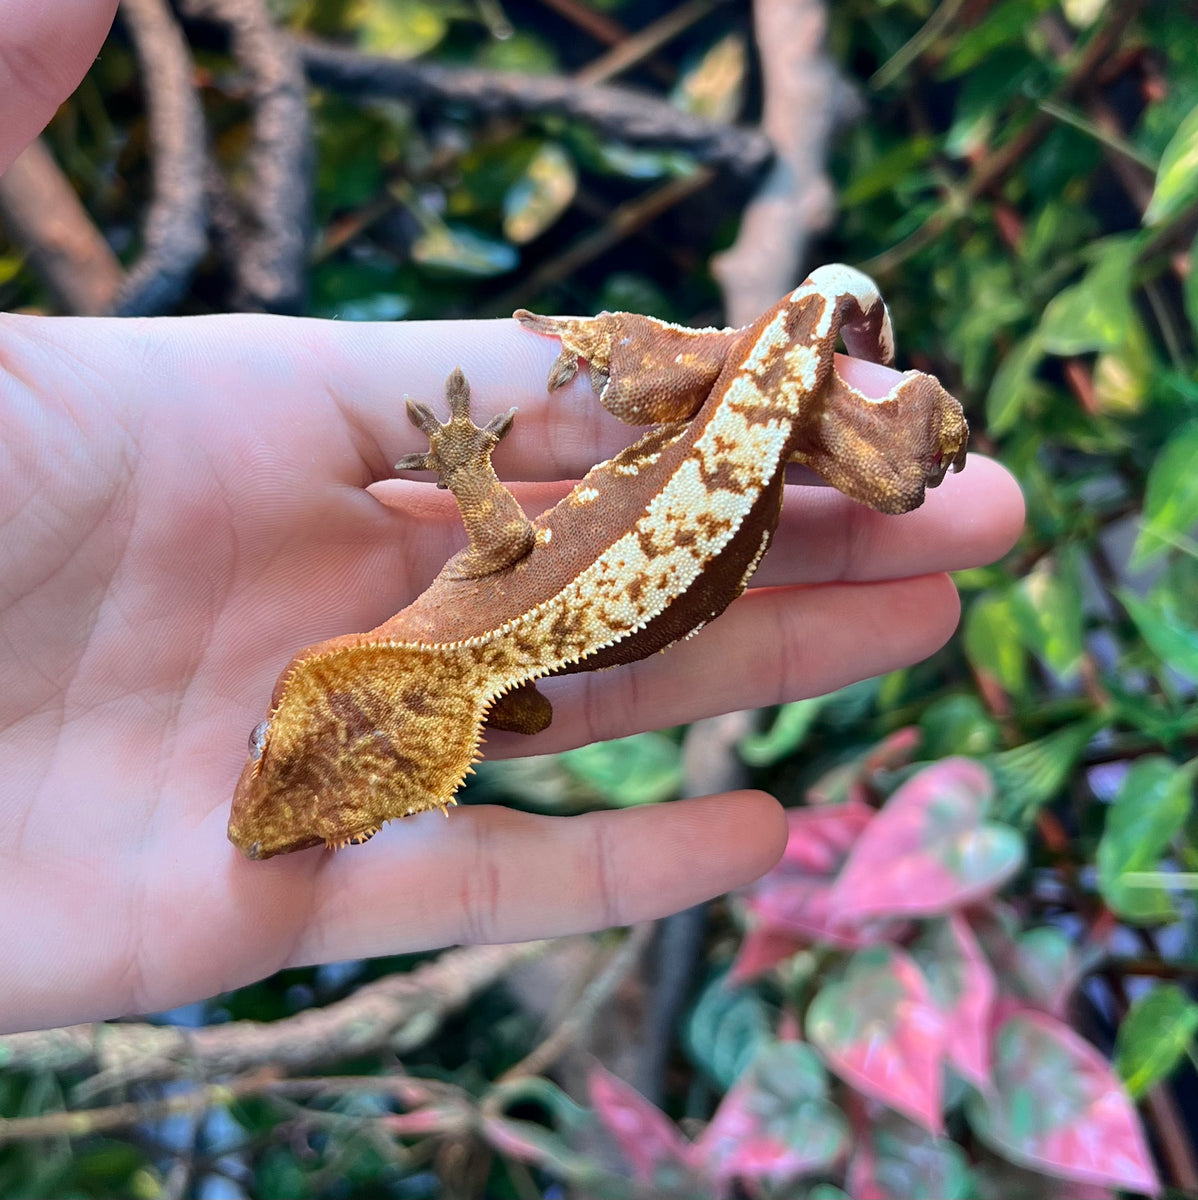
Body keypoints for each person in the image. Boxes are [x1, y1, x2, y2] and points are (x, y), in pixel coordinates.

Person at [0, 0, 1024, 1036]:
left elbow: (517, 701)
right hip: (706, 467)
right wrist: (456, 457)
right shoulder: (462, 622)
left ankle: (838, 347)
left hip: (718, 475)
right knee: (675, 409)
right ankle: (826, 345)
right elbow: (493, 540)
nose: (265, 763)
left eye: (272, 746)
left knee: (860, 475)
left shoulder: (495, 686)